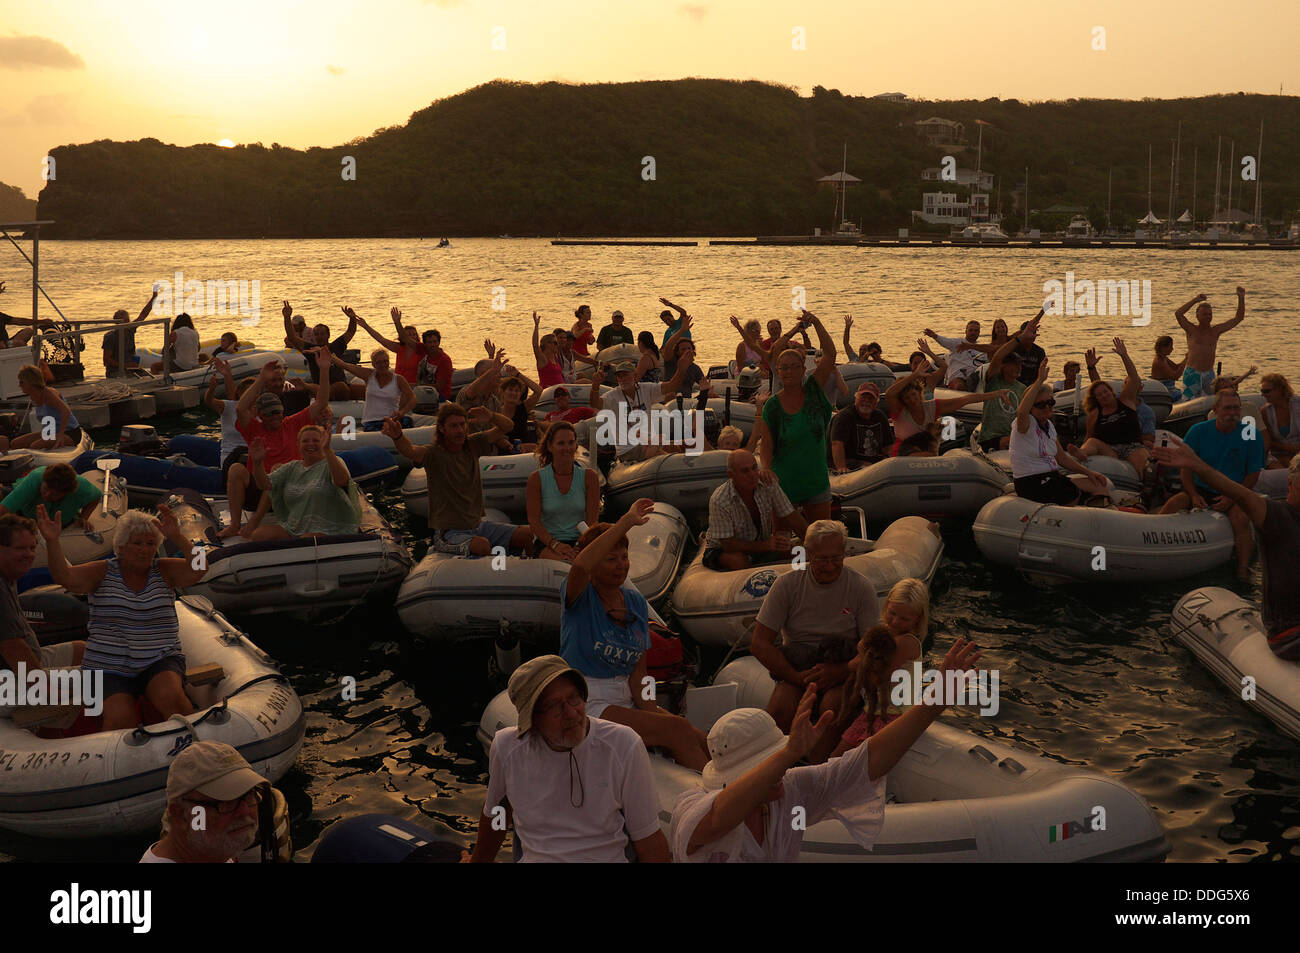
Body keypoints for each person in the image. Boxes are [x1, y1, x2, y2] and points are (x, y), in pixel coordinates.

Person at [668, 638, 981, 863]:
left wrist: (934, 702)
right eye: (770, 763)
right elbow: (718, 818)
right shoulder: (692, 809)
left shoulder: (788, 793)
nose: (782, 772)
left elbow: (866, 761)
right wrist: (788, 754)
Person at [469, 654, 669, 863]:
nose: (571, 713)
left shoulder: (623, 745)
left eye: (574, 698)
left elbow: (647, 838)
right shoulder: (507, 747)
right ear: (532, 719)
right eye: (554, 706)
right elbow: (498, 815)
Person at [560, 500, 710, 769]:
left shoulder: (636, 603)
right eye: (611, 559)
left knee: (695, 734)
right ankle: (719, 798)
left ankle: (730, 785)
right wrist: (626, 522)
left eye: (624, 557)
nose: (621, 566)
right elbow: (581, 567)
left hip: (625, 699)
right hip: (586, 701)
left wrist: (653, 712)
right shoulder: (581, 597)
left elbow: (639, 675)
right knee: (677, 730)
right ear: (595, 562)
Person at [36, 505, 207, 731]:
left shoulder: (163, 570)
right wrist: (52, 541)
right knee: (120, 719)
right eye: (137, 543)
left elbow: (201, 568)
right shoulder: (102, 571)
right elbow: (64, 577)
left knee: (173, 699)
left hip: (158, 657)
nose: (144, 550)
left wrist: (177, 536)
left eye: (149, 544)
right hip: (108, 664)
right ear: (121, 546)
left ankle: (195, 750)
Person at [750, 519, 880, 762]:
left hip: (843, 668)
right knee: (780, 709)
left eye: (835, 558)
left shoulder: (861, 588)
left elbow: (872, 649)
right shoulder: (787, 585)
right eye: (821, 559)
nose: (829, 567)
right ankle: (775, 770)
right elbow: (759, 643)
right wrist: (795, 677)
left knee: (832, 709)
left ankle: (817, 770)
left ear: (845, 554)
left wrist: (840, 671)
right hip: (798, 669)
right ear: (807, 553)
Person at [1153, 446, 1300, 661]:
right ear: (1290, 484)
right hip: (1288, 632)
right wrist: (1197, 465)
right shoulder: (1274, 515)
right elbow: (1237, 492)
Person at [384, 405, 534, 557]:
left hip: (478, 526)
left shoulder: (473, 445)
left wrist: (491, 416)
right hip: (449, 533)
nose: (460, 430)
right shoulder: (434, 454)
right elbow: (410, 451)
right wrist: (397, 436)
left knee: (528, 535)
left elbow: (508, 426)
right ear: (442, 429)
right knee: (481, 545)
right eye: (454, 426)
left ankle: (528, 569)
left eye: (462, 424)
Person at [221, 352, 332, 538]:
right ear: (261, 415)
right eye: (270, 413)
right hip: (258, 490)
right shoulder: (253, 428)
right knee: (235, 469)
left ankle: (254, 522)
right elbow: (240, 408)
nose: (275, 416)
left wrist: (324, 370)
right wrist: (261, 379)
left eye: (278, 411)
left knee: (277, 471)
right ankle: (234, 524)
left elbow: (321, 402)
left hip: (289, 489)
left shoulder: (291, 423)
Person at [1159, 389, 1264, 580]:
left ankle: (1243, 568)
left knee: (1240, 519)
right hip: (1201, 488)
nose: (1232, 413)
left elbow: (1253, 473)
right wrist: (1192, 494)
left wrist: (1233, 497)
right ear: (1215, 409)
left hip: (1235, 490)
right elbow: (1186, 468)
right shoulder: (1199, 431)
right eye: (1227, 408)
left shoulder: (1250, 434)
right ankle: (1154, 552)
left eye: (1236, 408)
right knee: (1173, 504)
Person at [0, 514, 87, 734]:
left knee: (83, 650)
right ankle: (54, 738)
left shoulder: (8, 577)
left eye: (32, 548)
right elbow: (12, 647)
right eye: (21, 549)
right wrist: (46, 688)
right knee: (97, 680)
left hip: (22, 664)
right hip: (6, 681)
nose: (29, 555)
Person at [832, 578, 931, 757]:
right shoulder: (884, 632)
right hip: (872, 709)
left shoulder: (906, 643)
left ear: (918, 619)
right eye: (892, 613)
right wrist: (863, 658)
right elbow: (855, 664)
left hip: (892, 715)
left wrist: (863, 653)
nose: (894, 622)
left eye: (904, 619)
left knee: (848, 761)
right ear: (886, 606)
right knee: (836, 758)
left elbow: (875, 679)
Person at [753, 311, 836, 522]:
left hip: (815, 480)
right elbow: (767, 445)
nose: (789, 372)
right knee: (783, 541)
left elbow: (830, 353)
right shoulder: (772, 406)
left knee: (820, 535)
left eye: (795, 367)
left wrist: (816, 322)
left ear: (803, 369)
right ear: (778, 372)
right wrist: (766, 470)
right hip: (784, 482)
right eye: (784, 368)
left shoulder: (814, 391)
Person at [142, 741, 269, 863]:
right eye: (226, 803)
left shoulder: (214, 853)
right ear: (181, 815)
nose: (245, 811)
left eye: (249, 794)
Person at [1009, 361, 1110, 504]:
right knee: (1072, 494)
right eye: (1040, 405)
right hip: (1032, 482)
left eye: (1050, 403)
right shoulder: (1025, 424)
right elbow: (1022, 411)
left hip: (1052, 477)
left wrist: (1089, 473)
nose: (1047, 407)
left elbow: (1062, 458)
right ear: (1031, 407)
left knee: (1098, 486)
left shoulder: (1048, 426)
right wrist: (1039, 381)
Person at [242, 425, 361, 540]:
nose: (310, 444)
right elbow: (265, 485)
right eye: (305, 441)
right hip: (294, 528)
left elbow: (342, 481)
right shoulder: (292, 467)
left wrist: (327, 450)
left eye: (316, 440)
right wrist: (257, 464)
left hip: (329, 529)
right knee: (259, 535)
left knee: (306, 540)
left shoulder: (333, 462)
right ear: (298, 445)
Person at [702, 450, 808, 571]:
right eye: (745, 471)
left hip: (761, 545)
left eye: (754, 468)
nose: (752, 474)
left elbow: (791, 516)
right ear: (731, 475)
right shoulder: (719, 500)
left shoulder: (767, 483)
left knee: (799, 553)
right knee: (738, 561)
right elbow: (728, 545)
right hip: (722, 549)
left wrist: (813, 543)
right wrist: (764, 546)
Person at [586, 353, 692, 462]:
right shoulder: (612, 396)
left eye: (626, 375)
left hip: (649, 441)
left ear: (635, 376)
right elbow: (595, 403)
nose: (622, 379)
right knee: (662, 454)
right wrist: (595, 385)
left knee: (674, 447)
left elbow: (672, 385)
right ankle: (677, 464)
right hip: (628, 449)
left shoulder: (646, 389)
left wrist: (681, 369)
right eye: (619, 376)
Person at [884, 366, 1006, 457]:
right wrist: (914, 375)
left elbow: (966, 400)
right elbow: (890, 394)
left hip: (927, 457)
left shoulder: (932, 407)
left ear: (919, 392)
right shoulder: (899, 411)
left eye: (913, 395)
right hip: (903, 457)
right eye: (907, 397)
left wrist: (997, 394)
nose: (912, 400)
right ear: (902, 400)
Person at [1076, 338, 1150, 479]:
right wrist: (1091, 368)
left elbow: (1134, 378)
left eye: (1106, 392)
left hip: (1132, 447)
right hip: (1111, 450)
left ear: (1112, 391)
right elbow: (1089, 436)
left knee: (1144, 463)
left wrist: (1124, 355)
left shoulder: (1126, 401)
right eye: (1100, 395)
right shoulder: (1095, 414)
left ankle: (1146, 488)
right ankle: (1080, 454)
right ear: (1096, 399)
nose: (1104, 396)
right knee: (1092, 442)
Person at [526, 422, 600, 562]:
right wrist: (556, 545)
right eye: (561, 443)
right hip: (548, 543)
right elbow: (534, 522)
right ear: (550, 446)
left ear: (576, 445)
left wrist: (579, 545)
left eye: (571, 443)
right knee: (565, 563)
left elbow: (593, 520)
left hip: (581, 541)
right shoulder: (536, 479)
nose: (567, 448)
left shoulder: (590, 477)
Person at [1173, 287, 1246, 398]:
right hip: (1193, 374)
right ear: (1197, 316)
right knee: (1188, 402)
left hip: (1209, 374)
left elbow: (1238, 318)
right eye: (1205, 314)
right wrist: (1195, 300)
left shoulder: (1215, 331)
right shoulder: (1191, 330)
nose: (1208, 316)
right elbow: (1178, 314)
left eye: (1210, 314)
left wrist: (1241, 297)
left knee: (1212, 401)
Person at [282, 300, 359, 400]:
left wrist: (352, 318)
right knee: (338, 386)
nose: (319, 337)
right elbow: (292, 337)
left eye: (322, 334)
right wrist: (287, 317)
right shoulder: (310, 350)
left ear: (328, 335)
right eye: (317, 334)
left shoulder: (336, 346)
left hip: (342, 389)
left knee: (346, 387)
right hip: (320, 389)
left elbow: (351, 331)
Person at [974, 323, 1033, 451]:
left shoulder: (1022, 388)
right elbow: (997, 357)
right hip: (991, 438)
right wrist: (1019, 339)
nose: (1019, 368)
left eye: (1020, 365)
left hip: (1013, 438)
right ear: (1003, 366)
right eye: (1014, 364)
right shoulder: (993, 382)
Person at [329, 348, 416, 431]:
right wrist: (330, 356)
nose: (383, 365)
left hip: (392, 420)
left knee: (407, 421)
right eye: (378, 362)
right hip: (372, 421)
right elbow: (345, 365)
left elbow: (413, 399)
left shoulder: (398, 379)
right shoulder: (369, 375)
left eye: (385, 361)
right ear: (373, 364)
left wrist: (401, 412)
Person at [1, 364, 82, 452]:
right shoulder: (34, 397)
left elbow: (66, 411)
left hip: (69, 432)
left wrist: (61, 435)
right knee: (15, 443)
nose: (19, 385)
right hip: (50, 432)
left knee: (34, 446)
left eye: (22, 382)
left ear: (30, 382)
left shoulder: (49, 394)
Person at [0, 463, 102, 526]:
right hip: (24, 509)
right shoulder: (36, 478)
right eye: (45, 489)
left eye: (54, 494)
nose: (47, 495)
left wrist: (83, 518)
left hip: (58, 518)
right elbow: (4, 509)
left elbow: (96, 496)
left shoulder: (81, 487)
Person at [348, 306, 428, 384]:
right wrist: (366, 326)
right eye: (409, 335)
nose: (413, 336)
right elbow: (380, 339)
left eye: (414, 334)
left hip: (414, 387)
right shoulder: (399, 348)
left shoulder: (421, 349)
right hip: (397, 385)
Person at [202, 356, 254, 468]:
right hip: (231, 458)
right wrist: (211, 389)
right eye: (247, 392)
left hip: (253, 457)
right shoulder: (229, 406)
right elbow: (209, 401)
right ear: (240, 393)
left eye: (253, 391)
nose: (250, 395)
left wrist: (227, 374)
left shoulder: (260, 411)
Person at [830, 382, 893, 473]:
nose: (866, 401)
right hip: (848, 461)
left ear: (876, 402)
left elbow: (888, 444)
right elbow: (837, 443)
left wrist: (886, 458)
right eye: (863, 397)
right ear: (856, 398)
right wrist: (841, 467)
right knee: (867, 466)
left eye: (871, 398)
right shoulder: (844, 416)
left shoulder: (880, 416)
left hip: (872, 461)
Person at [102, 289, 158, 376]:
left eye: (128, 320)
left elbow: (143, 315)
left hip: (132, 368)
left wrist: (154, 297)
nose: (128, 322)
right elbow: (106, 360)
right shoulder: (110, 337)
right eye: (125, 321)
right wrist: (125, 365)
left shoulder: (130, 329)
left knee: (150, 376)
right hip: (115, 371)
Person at [923, 320, 988, 391]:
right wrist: (934, 336)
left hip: (975, 379)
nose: (973, 333)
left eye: (976, 331)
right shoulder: (957, 343)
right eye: (971, 330)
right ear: (966, 331)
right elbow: (945, 341)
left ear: (979, 333)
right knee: (960, 386)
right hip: (957, 379)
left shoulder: (982, 349)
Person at [492, 370, 541, 453]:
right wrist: (511, 447)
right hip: (503, 453)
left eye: (517, 390)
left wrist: (518, 374)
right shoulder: (497, 411)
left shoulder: (523, 408)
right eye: (510, 389)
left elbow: (538, 391)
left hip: (523, 452)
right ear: (503, 392)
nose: (514, 393)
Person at [1260, 374, 1300, 467]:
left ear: (1280, 389)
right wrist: (1289, 449)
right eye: (1262, 391)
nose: (1263, 394)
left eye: (1267, 391)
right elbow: (1268, 441)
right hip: (1280, 454)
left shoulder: (1298, 404)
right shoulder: (1265, 411)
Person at [416, 329, 454, 400]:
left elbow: (439, 386)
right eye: (429, 342)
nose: (433, 345)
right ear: (425, 344)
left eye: (435, 342)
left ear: (439, 342)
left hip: (439, 395)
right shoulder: (424, 352)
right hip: (423, 391)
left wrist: (417, 387)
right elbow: (407, 340)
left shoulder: (444, 360)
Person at [532, 313, 565, 387]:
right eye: (555, 342)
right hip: (549, 392)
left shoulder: (555, 356)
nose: (557, 344)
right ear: (547, 344)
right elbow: (535, 345)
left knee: (584, 381)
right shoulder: (543, 359)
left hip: (561, 390)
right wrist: (536, 326)